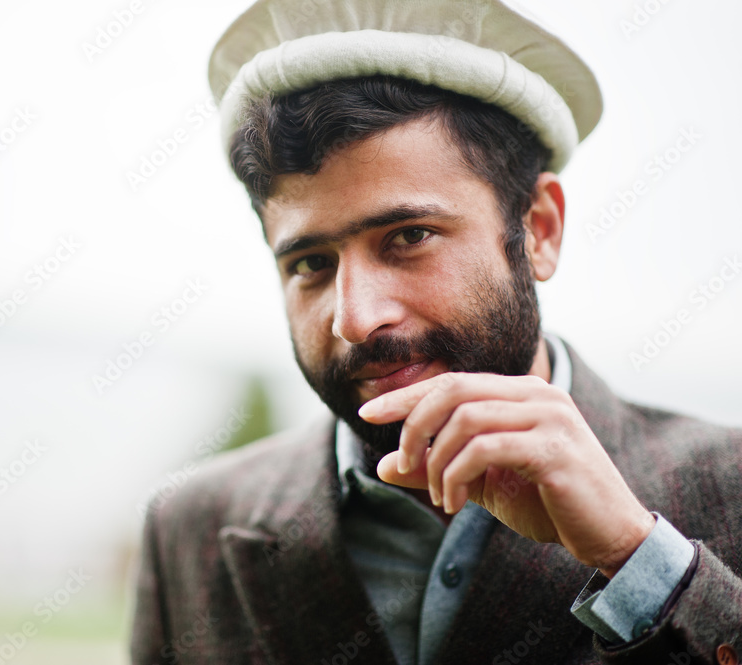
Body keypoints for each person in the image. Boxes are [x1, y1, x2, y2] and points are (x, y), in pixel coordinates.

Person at [130, 1, 742, 663]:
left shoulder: (730, 487)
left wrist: (639, 560)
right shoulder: (187, 527)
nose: (357, 318)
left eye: (409, 237)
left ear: (539, 228)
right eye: (310, 263)